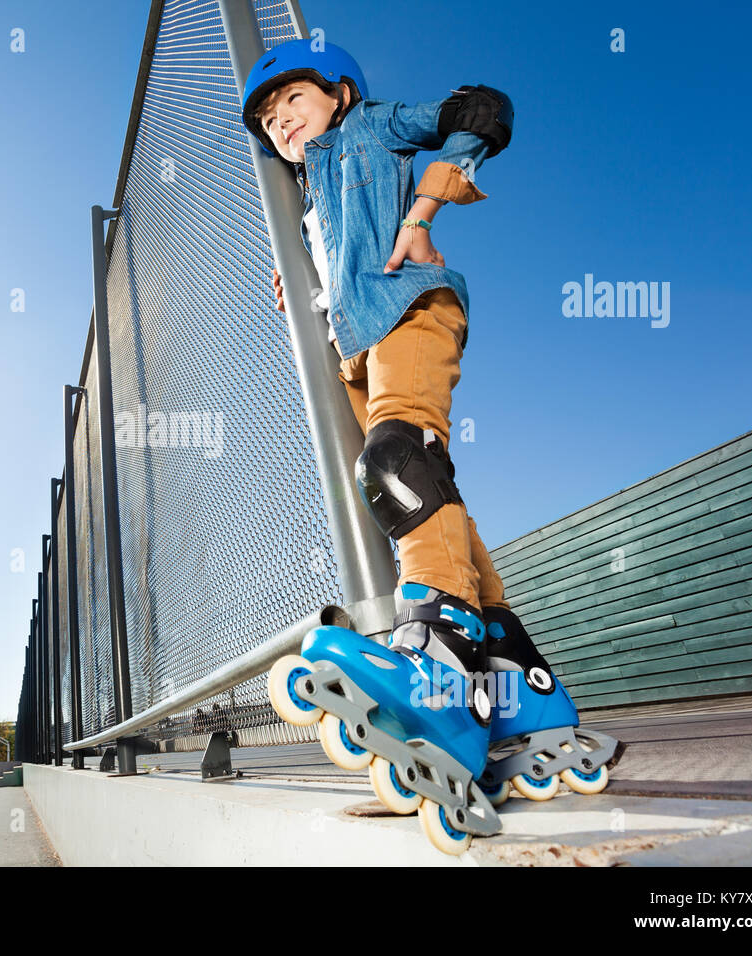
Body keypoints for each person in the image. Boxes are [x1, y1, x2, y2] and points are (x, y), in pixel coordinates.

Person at [248, 42, 622, 853]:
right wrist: (306, 280)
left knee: (395, 468)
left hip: (412, 312)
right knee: (432, 498)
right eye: (269, 121)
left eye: (293, 103)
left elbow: (482, 109)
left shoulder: (373, 126)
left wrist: (422, 213)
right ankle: (524, 690)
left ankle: (441, 661)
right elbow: (340, 254)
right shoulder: (304, 201)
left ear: (341, 94)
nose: (282, 121)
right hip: (355, 344)